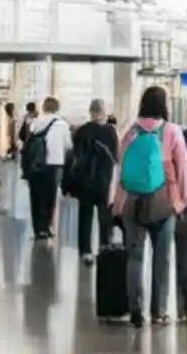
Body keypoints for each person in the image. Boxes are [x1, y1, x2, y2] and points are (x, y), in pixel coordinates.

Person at [114, 86, 187, 328]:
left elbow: (120, 168)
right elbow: (183, 170)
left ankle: (135, 308)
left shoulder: (129, 131)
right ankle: (158, 311)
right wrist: (183, 201)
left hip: (132, 201)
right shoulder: (171, 131)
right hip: (163, 202)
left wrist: (117, 203)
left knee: (135, 256)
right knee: (162, 258)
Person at [71, 99, 119, 265]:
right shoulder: (110, 132)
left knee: (85, 215)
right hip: (104, 179)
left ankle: (85, 250)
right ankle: (104, 245)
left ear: (90, 112)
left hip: (85, 179)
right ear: (104, 112)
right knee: (104, 215)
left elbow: (75, 154)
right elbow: (116, 156)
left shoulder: (81, 131)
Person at [23, 97, 72, 241]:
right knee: (50, 197)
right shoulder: (62, 124)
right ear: (57, 107)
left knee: (36, 197)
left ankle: (38, 229)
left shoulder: (36, 122)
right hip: (54, 165)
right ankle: (47, 227)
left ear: (44, 107)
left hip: (36, 164)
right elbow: (68, 145)